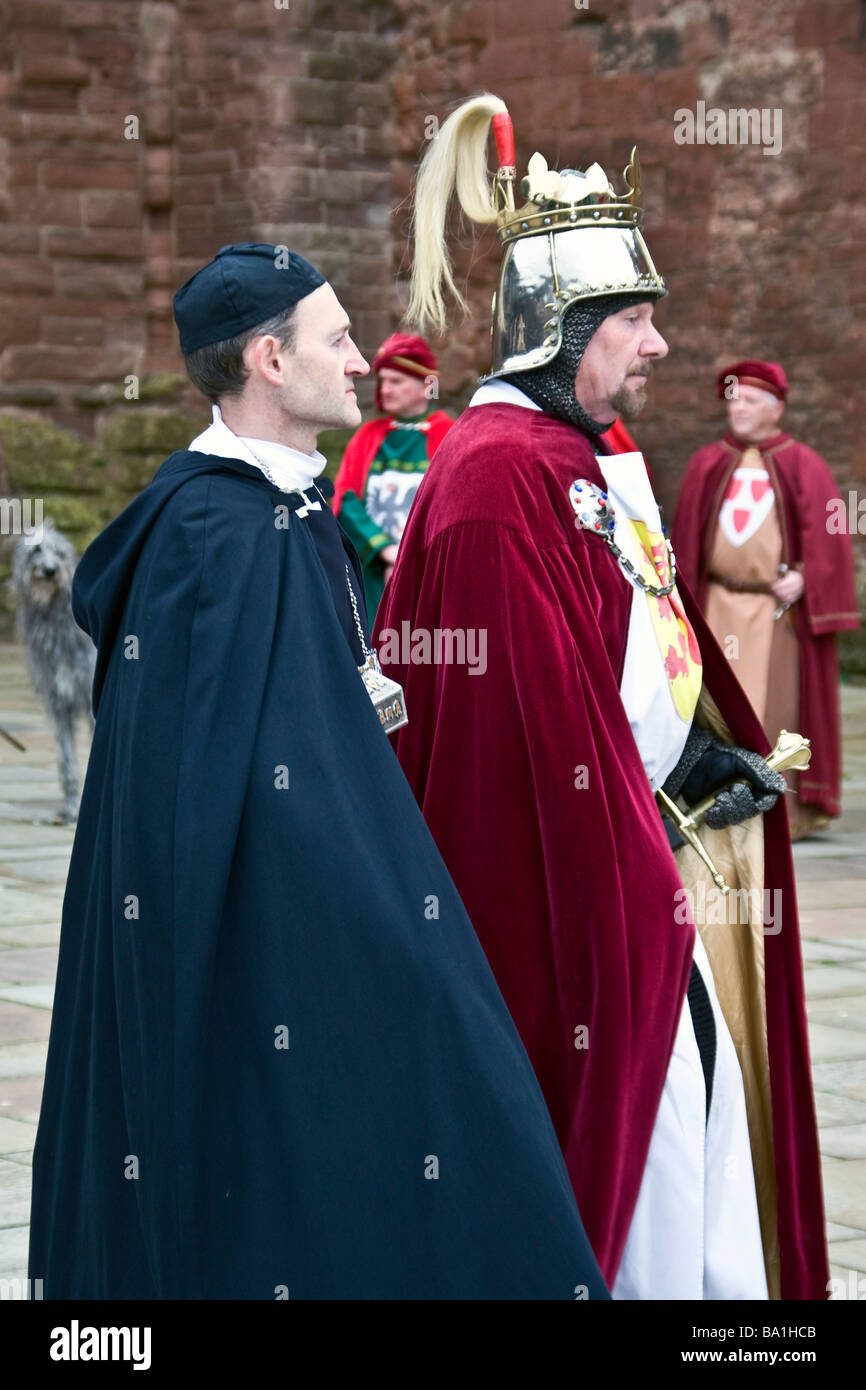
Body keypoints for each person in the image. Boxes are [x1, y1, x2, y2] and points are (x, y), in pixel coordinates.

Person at [27, 242, 609, 1300]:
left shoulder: (288, 507)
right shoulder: (209, 534)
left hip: (328, 896)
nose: (356, 361)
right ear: (265, 359)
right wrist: (371, 910)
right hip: (263, 925)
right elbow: (196, 788)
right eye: (335, 339)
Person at [376, 95, 828, 1300]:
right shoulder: (491, 480)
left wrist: (688, 756)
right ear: (559, 327)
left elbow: (608, 664)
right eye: (633, 318)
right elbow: (515, 740)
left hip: (636, 847)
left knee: (694, 1121)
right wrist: (632, 851)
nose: (657, 345)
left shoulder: (568, 458)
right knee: (650, 1142)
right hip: (578, 894)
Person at [674, 361, 859, 838]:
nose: (738, 408)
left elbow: (826, 539)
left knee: (775, 708)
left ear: (776, 408)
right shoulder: (707, 462)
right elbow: (688, 540)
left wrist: (804, 577)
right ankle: (710, 797)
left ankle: (786, 812)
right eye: (734, 399)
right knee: (714, 708)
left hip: (774, 615)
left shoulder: (803, 463)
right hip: (716, 604)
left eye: (751, 400)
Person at [333, 333, 453, 620]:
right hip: (373, 570)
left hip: (427, 573)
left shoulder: (448, 435)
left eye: (396, 381)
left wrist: (410, 559)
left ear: (427, 386)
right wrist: (386, 551)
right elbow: (345, 498)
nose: (385, 389)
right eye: (382, 380)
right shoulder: (368, 437)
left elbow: (452, 508)